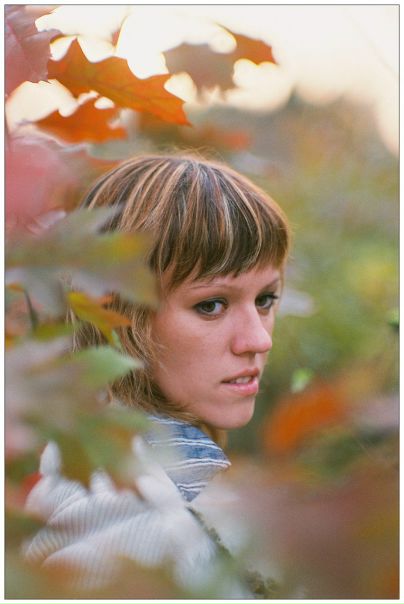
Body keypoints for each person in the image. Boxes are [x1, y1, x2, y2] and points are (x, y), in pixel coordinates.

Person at [23, 153, 290, 597]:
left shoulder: (184, 487)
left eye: (265, 300)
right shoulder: (137, 526)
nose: (258, 339)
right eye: (211, 305)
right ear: (120, 315)